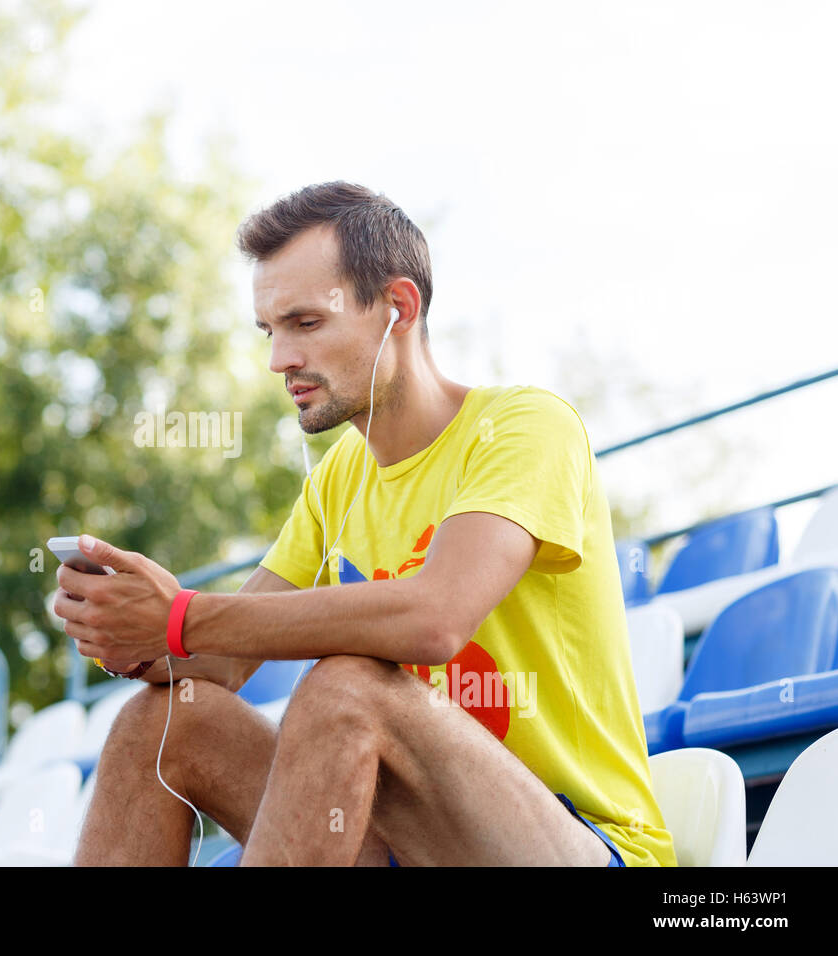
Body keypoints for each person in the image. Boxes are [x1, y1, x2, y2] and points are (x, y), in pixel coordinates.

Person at [52, 181, 678, 867]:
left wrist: (181, 617)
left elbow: (435, 618)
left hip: (574, 845)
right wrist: (135, 630)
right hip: (411, 846)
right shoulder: (339, 478)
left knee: (347, 688)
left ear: (398, 308)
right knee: (165, 721)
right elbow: (221, 660)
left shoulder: (526, 427)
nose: (278, 360)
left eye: (306, 323)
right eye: (270, 331)